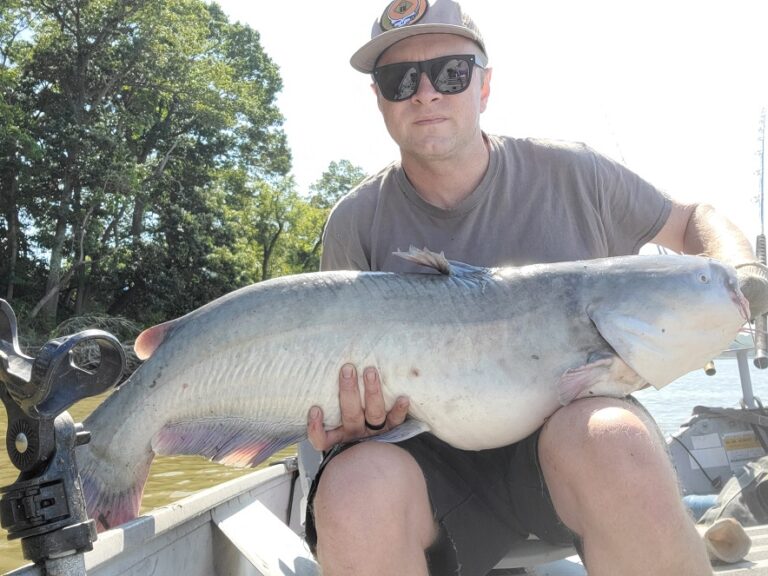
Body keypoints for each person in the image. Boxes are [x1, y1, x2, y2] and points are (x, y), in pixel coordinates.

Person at [302, 1, 768, 574]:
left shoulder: (577, 174)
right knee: (351, 490)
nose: (425, 93)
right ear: (379, 99)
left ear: (485, 85)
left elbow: (692, 216)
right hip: (426, 466)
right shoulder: (355, 221)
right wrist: (352, 423)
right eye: (400, 80)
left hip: (571, 448)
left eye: (451, 72)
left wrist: (740, 268)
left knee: (613, 438)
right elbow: (334, 382)